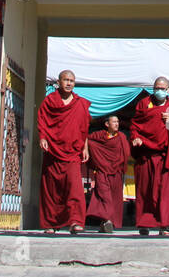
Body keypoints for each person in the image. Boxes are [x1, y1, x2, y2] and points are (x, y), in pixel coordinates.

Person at [129, 76, 169, 236]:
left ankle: (165, 225)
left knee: (167, 193)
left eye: (162, 88)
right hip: (146, 155)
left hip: (166, 157)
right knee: (145, 191)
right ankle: (144, 224)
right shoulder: (144, 104)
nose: (159, 91)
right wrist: (136, 138)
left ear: (168, 90)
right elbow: (135, 125)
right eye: (157, 88)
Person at [36, 70, 91, 235]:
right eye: (66, 80)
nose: (69, 83)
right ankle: (51, 223)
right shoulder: (49, 101)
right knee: (51, 189)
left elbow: (84, 128)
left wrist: (85, 147)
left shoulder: (79, 103)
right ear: (58, 82)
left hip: (73, 152)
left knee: (74, 187)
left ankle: (75, 221)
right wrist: (43, 138)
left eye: (72, 81)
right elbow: (42, 121)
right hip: (53, 150)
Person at [85, 114, 131, 233]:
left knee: (115, 198)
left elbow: (125, 153)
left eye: (118, 121)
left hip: (116, 172)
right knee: (104, 196)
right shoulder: (98, 135)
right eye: (114, 122)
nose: (117, 124)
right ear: (107, 124)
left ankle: (105, 222)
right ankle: (107, 219)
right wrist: (88, 152)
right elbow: (86, 140)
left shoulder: (121, 137)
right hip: (102, 171)